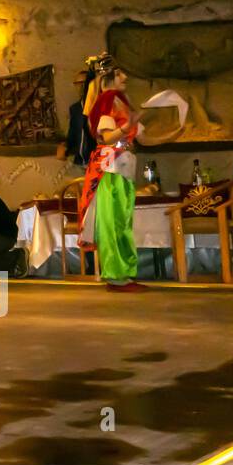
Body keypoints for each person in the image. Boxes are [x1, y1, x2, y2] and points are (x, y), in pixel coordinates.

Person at [78, 54, 146, 292]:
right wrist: (129, 125)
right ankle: (116, 276)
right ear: (108, 76)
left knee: (122, 224)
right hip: (110, 169)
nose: (125, 77)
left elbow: (144, 138)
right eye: (119, 73)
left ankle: (125, 274)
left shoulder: (120, 102)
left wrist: (176, 129)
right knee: (111, 224)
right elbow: (107, 138)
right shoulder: (106, 101)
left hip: (123, 169)